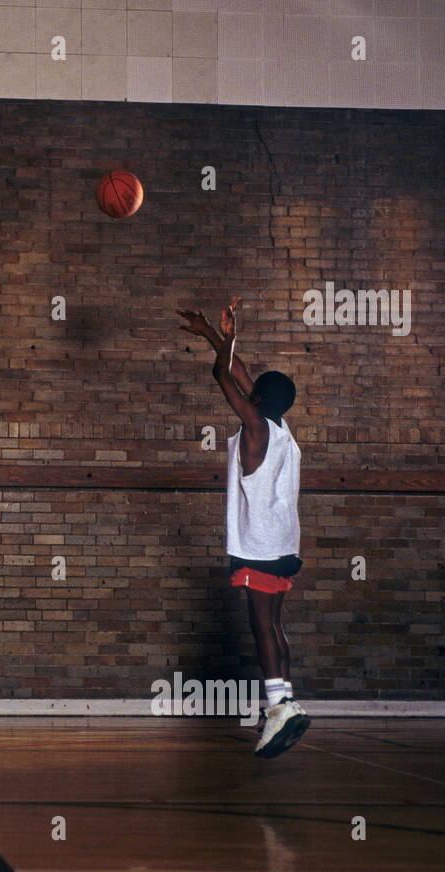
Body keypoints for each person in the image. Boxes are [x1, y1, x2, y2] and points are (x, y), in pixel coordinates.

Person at [176, 297, 309, 758]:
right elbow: (241, 373)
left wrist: (226, 343)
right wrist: (214, 334)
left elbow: (223, 375)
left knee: (260, 625)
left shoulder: (256, 429)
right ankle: (285, 699)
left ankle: (277, 707)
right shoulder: (282, 429)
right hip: (283, 544)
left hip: (261, 545)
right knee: (273, 624)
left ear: (257, 401)